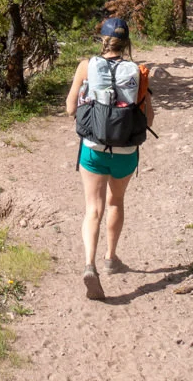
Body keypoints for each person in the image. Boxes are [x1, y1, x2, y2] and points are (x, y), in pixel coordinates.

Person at [63, 17, 154, 300]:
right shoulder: (138, 71)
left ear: (101, 39)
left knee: (93, 208)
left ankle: (89, 264)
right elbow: (148, 117)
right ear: (127, 43)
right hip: (126, 151)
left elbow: (69, 109)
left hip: (93, 147)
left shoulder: (85, 66)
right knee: (116, 201)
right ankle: (111, 258)